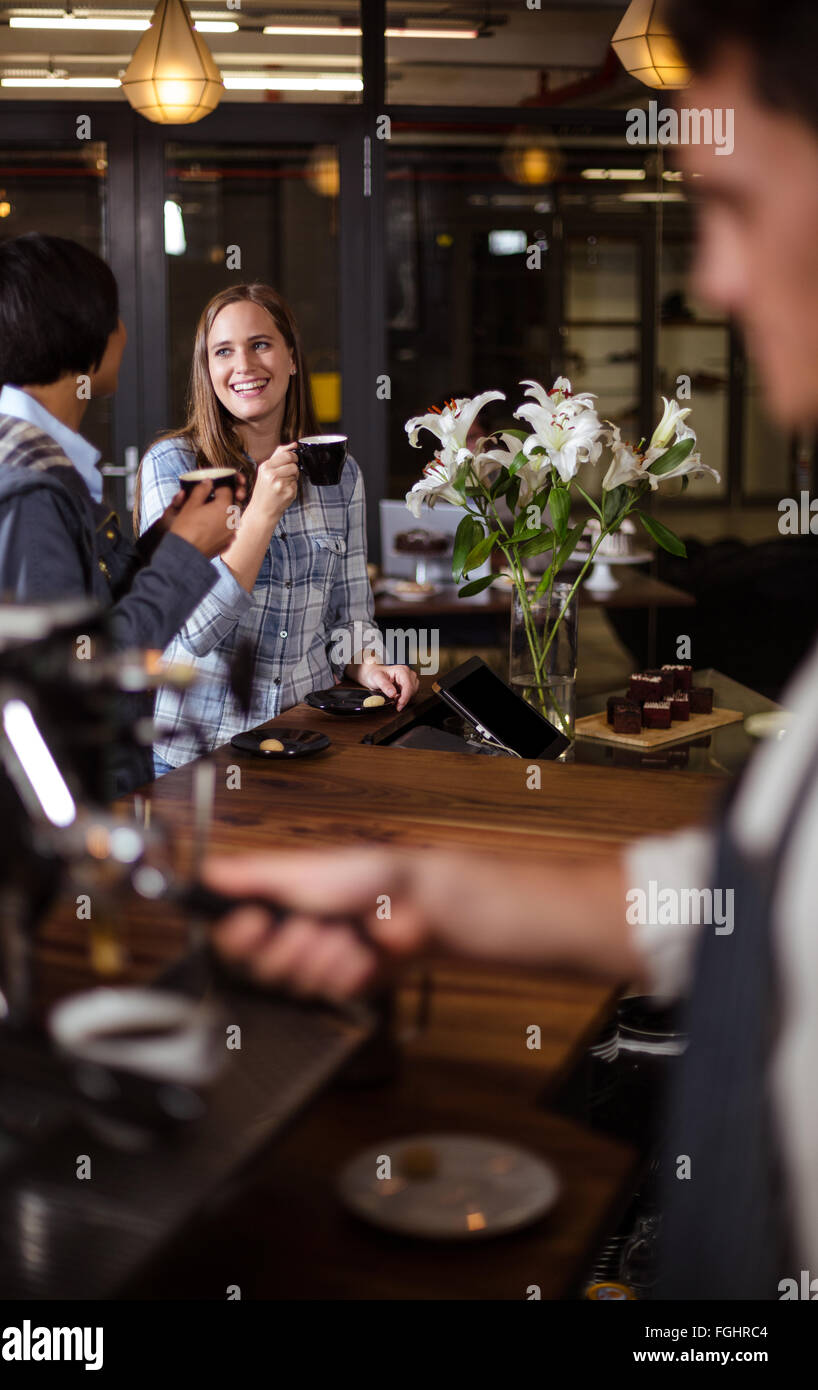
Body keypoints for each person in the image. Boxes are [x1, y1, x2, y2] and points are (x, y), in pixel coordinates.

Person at [204, 0, 818, 1299]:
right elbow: (767, 899)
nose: (708, 278)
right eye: (224, 351)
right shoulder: (184, 478)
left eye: (736, 200)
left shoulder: (335, 477)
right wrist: (433, 895)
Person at [0, 233, 243, 792]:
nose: (125, 333)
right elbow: (80, 677)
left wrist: (165, 538)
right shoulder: (29, 494)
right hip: (62, 806)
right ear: (89, 337)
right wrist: (185, 555)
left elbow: (85, 623)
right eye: (116, 318)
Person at [136, 283, 418, 774]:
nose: (243, 366)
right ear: (208, 370)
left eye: (260, 344)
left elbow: (349, 617)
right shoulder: (175, 466)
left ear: (291, 358)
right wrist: (261, 512)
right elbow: (194, 631)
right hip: (196, 756)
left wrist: (370, 663)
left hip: (306, 738)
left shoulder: (341, 474)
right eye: (223, 351)